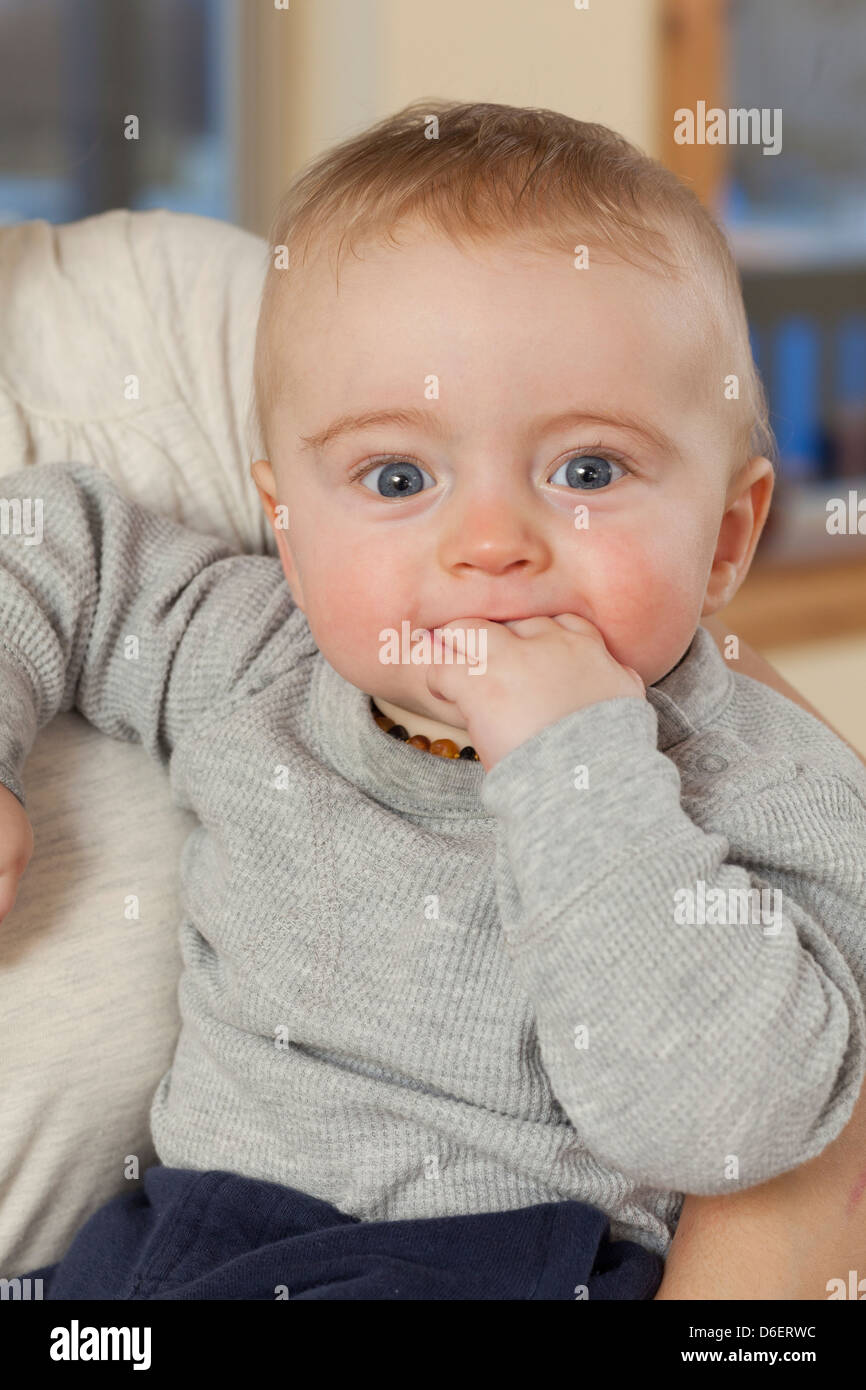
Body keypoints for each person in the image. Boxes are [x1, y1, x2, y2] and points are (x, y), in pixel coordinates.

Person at [1, 99, 865, 1300]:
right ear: (289, 528)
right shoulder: (253, 656)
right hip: (174, 1246)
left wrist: (577, 763)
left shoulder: (769, 788)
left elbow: (738, 1124)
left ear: (723, 541)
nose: (489, 541)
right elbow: (61, 547)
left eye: (586, 470)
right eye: (398, 476)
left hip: (509, 1268)